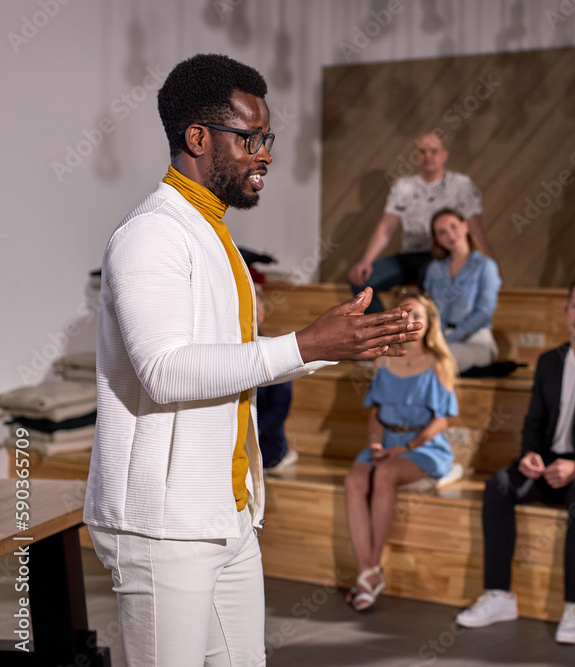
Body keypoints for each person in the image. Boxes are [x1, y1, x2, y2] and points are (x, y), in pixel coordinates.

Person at [84, 54, 421, 667]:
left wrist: (337, 347)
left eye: (268, 137)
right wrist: (306, 346)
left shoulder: (216, 235)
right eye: (251, 138)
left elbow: (235, 360)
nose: (265, 153)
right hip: (166, 525)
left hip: (229, 510)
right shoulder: (151, 235)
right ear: (198, 137)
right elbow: (166, 372)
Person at [455, 275, 575, 645]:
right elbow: (534, 422)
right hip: (549, 463)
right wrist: (529, 454)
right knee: (497, 485)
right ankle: (499, 595)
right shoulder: (548, 361)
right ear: (566, 309)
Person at [343, 292, 459, 611]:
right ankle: (369, 572)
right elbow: (376, 412)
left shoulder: (440, 362)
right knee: (354, 481)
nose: (409, 320)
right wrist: (376, 443)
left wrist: (406, 447)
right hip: (387, 442)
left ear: (430, 321)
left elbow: (442, 420)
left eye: (416, 315)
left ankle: (372, 567)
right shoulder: (384, 358)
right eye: (403, 314)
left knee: (385, 475)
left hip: (422, 446)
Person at [348, 133, 492, 313]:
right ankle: (383, 335)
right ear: (416, 157)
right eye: (422, 152)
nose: (428, 156)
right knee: (362, 283)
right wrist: (366, 261)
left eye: (433, 151)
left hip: (444, 256)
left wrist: (489, 265)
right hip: (411, 255)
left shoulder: (461, 184)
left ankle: (431, 336)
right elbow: (387, 227)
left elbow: (476, 228)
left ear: (444, 155)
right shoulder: (403, 187)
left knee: (433, 278)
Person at [423, 208, 502, 373]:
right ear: (437, 239)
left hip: (476, 341)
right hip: (438, 339)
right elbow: (428, 308)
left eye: (453, 226)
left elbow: (484, 312)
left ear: (465, 226)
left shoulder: (485, 266)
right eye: (442, 232)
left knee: (441, 358)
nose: (450, 234)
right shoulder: (434, 269)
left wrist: (449, 338)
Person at [254, 284, 297, 475]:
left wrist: (253, 432)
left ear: (261, 315)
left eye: (250, 310)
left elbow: (279, 409)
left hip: (264, 441)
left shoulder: (275, 353)